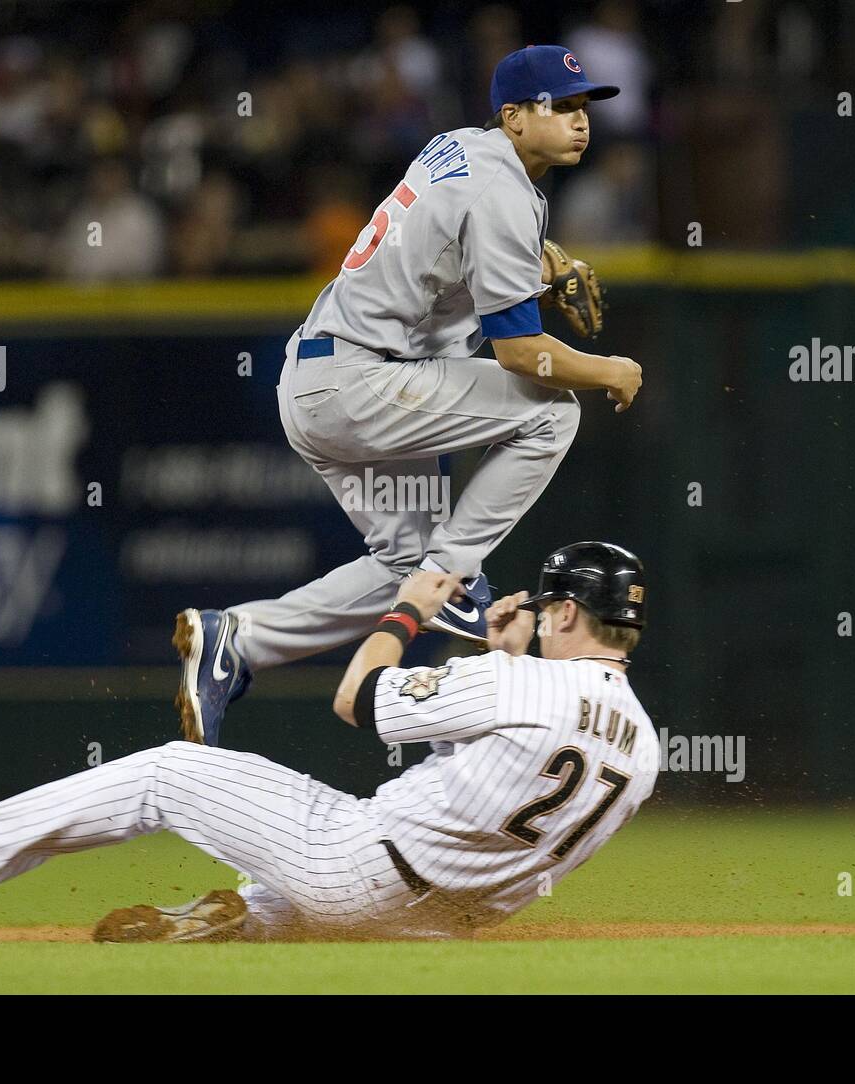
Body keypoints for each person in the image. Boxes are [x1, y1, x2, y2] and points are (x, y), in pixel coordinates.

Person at [176, 45, 644, 746]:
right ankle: (455, 583)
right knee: (550, 409)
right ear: (514, 118)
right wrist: (609, 369)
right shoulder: (506, 193)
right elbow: (522, 355)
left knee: (403, 569)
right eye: (561, 106)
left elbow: (460, 235)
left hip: (320, 380)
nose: (580, 121)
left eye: (584, 107)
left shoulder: (459, 147)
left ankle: (238, 639)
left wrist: (552, 264)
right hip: (365, 384)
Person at [0, 542, 659, 943]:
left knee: (170, 774)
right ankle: (229, 916)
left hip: (359, 864)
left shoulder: (524, 685)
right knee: (292, 892)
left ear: (560, 614)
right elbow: (493, 775)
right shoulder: (646, 748)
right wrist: (502, 657)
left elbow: (359, 699)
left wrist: (409, 611)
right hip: (452, 918)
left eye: (546, 605)